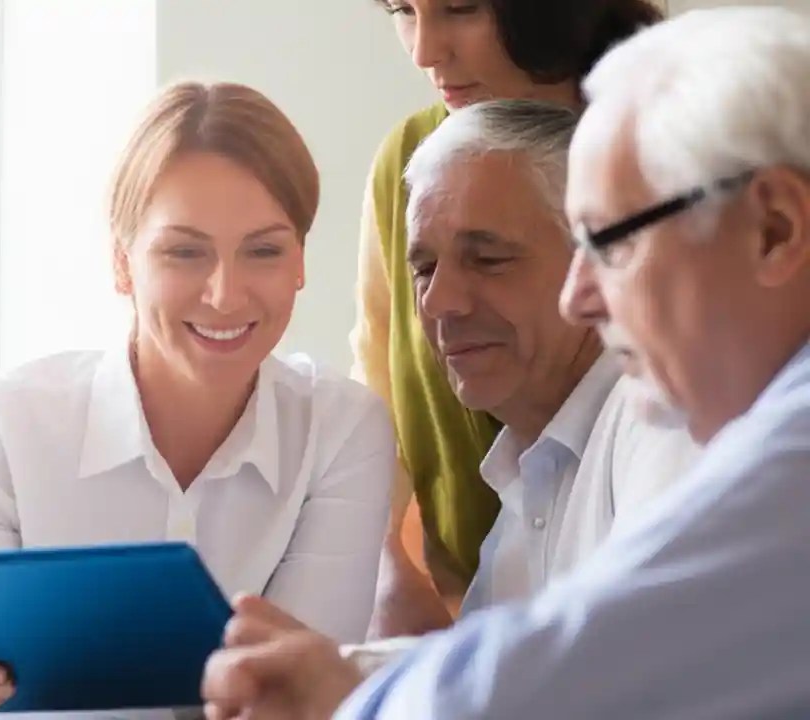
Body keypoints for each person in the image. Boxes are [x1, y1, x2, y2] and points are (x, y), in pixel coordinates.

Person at [202, 7, 810, 718]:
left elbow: (612, 663)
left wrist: (352, 695)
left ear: (775, 229)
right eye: (423, 267)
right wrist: (343, 672)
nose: (580, 295)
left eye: (609, 242)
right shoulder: (533, 471)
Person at [0, 81, 395, 720]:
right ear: (121, 263)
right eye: (184, 252)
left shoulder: (341, 429)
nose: (224, 293)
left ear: (299, 261)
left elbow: (294, 698)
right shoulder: (15, 419)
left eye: (263, 251)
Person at [352, 0, 663, 632]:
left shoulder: (678, 151)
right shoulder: (411, 160)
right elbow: (378, 396)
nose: (423, 50)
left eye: (461, 8)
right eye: (402, 10)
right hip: (473, 600)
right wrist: (390, 572)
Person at [398, 98, 696, 612]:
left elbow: (647, 666)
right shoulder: (524, 486)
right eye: (424, 268)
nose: (438, 302)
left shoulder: (666, 415)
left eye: (488, 260)